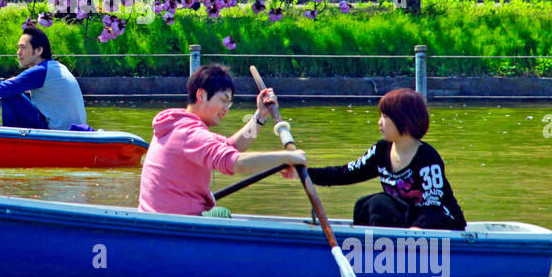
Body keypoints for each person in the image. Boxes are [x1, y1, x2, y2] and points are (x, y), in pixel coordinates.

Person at [138, 64, 307, 217]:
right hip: (176, 229)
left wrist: (260, 116)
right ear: (201, 95)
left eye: (229, 103)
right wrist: (287, 157)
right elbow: (236, 163)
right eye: (223, 100)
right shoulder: (189, 134)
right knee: (221, 215)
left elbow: (230, 147)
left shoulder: (176, 124)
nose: (226, 109)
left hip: (158, 221)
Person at [303, 88, 466, 230]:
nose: (379, 122)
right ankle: (371, 248)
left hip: (439, 225)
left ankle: (381, 248)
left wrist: (416, 231)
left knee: (379, 204)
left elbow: (433, 207)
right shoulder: (381, 151)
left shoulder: (427, 159)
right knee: (365, 205)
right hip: (407, 222)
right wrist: (304, 174)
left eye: (385, 116)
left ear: (404, 119)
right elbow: (346, 173)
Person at [0, 25, 88, 130]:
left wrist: (12, 81)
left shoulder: (40, 71)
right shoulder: (56, 67)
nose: (18, 52)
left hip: (58, 133)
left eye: (23, 47)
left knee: (9, 95)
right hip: (76, 131)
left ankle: (11, 140)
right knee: (12, 91)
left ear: (39, 50)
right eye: (18, 48)